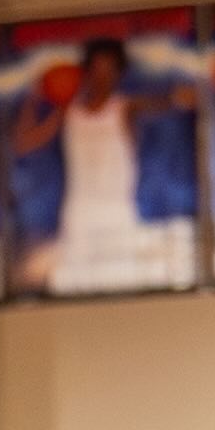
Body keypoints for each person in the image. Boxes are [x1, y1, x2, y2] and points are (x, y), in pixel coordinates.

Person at [14, 39, 196, 295]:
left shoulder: (123, 108)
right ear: (86, 72)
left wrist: (180, 97)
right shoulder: (69, 110)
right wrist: (35, 96)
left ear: (119, 74)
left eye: (109, 70)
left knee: (121, 285)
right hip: (80, 213)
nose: (102, 78)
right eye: (97, 70)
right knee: (75, 290)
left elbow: (168, 101)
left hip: (117, 212)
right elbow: (24, 143)